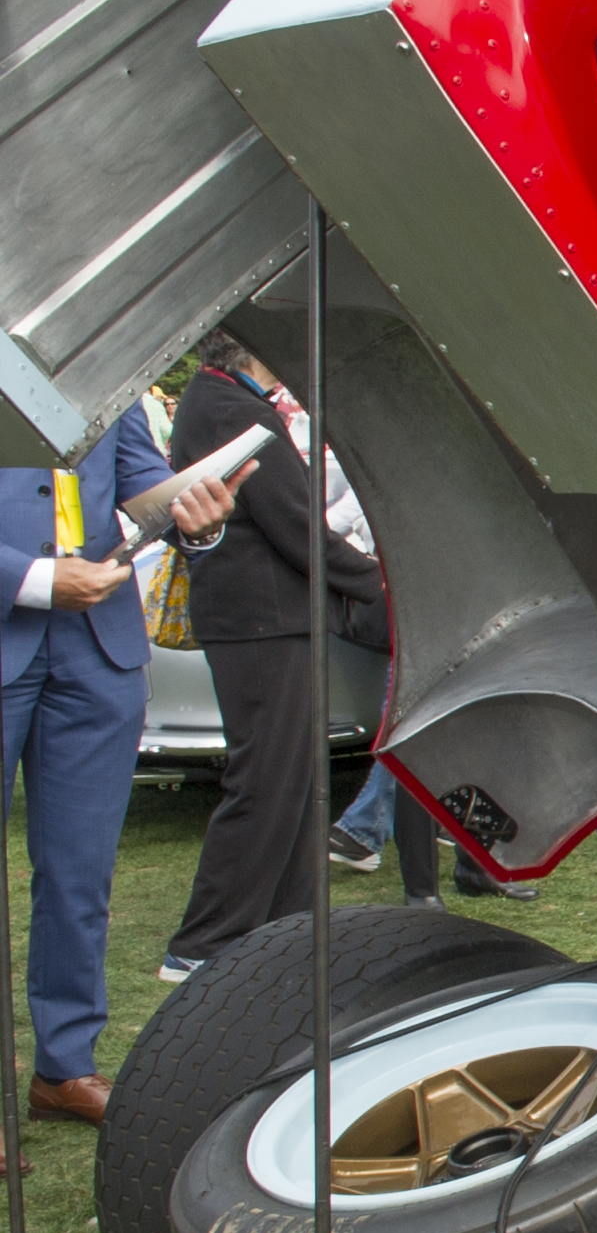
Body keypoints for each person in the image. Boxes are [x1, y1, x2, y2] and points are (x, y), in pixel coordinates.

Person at [0, 393, 246, 1123]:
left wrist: (199, 516)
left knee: (80, 873)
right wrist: (35, 582)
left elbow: (147, 493)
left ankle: (65, 1068)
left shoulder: (108, 376)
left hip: (98, 655)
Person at [161, 332, 384, 981]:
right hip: (260, 622)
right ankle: (206, 939)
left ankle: (289, 932)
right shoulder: (231, 407)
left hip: (270, 618)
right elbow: (297, 527)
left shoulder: (219, 400)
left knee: (297, 781)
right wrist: (378, 581)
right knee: (266, 781)